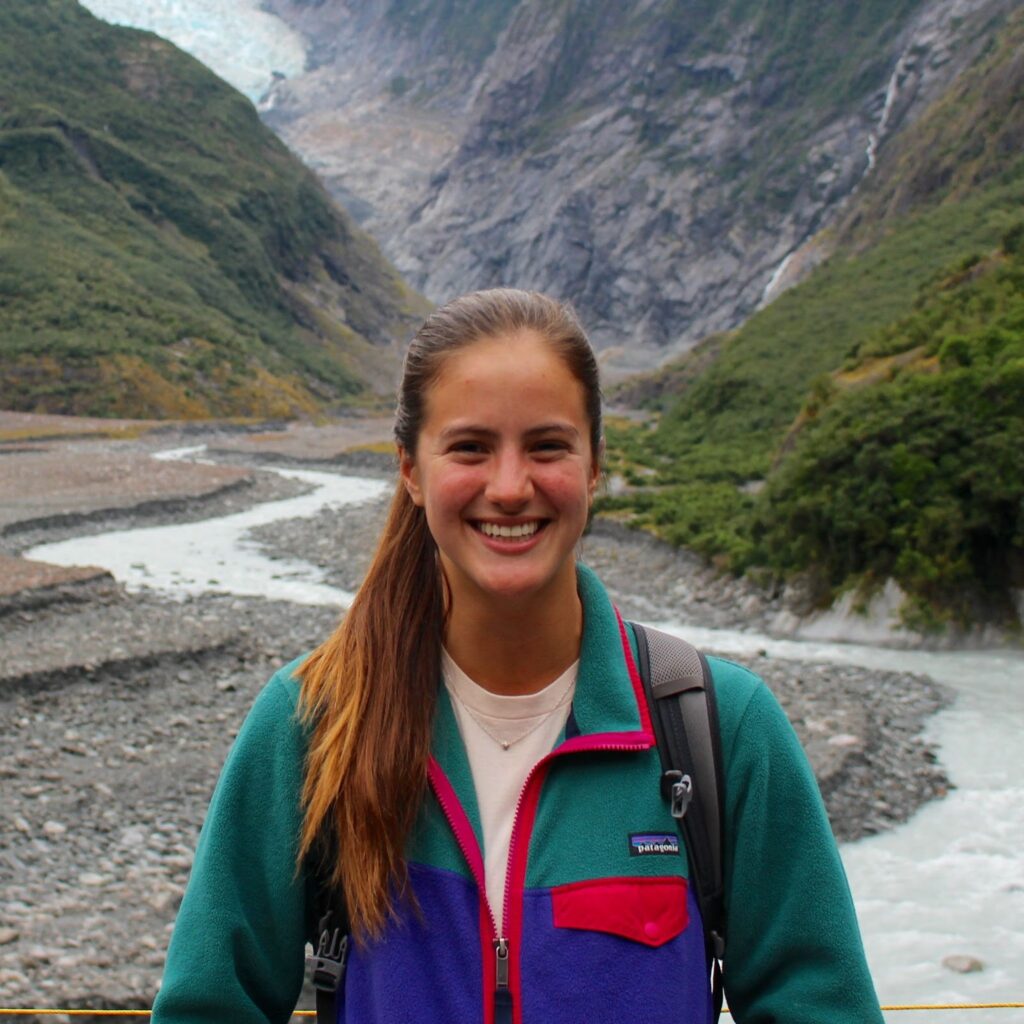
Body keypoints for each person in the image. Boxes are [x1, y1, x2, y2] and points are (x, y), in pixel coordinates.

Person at [151, 288, 883, 1023]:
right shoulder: (315, 721)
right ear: (411, 469)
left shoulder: (717, 729)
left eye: (547, 446)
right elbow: (209, 1006)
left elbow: (822, 1008)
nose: (509, 487)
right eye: (470, 448)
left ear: (595, 464)